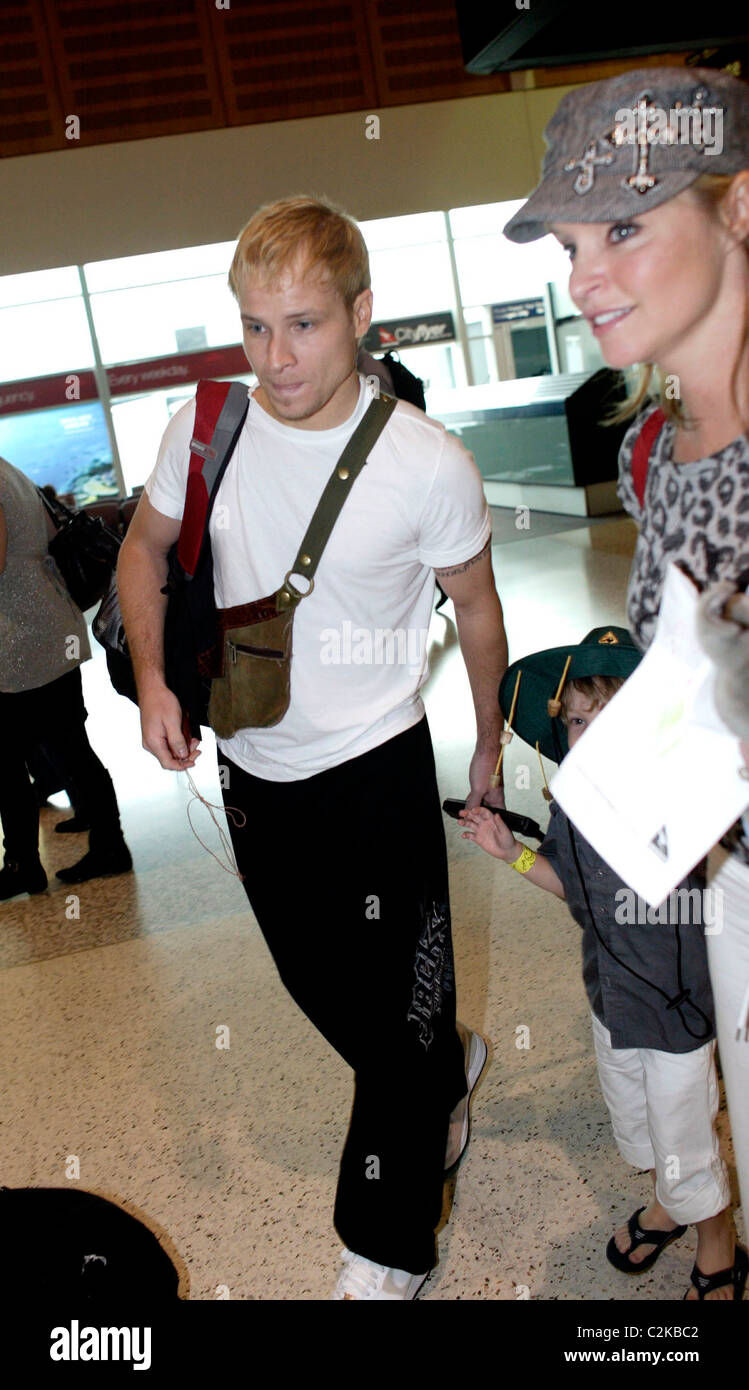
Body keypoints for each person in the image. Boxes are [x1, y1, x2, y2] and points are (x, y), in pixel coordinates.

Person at [117, 195, 509, 1300]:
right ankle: (443, 1065)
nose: (276, 358)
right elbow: (143, 554)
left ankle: (381, 1247)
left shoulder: (425, 462)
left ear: (361, 315)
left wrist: (488, 739)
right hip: (257, 777)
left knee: (391, 1025)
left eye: (303, 325)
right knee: (322, 988)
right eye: (254, 326)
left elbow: (476, 610)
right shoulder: (203, 432)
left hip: (378, 769)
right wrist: (151, 680)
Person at [503, 61, 749, 1244]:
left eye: (619, 227)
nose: (581, 278)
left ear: (736, 207)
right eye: (564, 246)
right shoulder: (650, 450)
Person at [461, 628, 747, 1301]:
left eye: (611, 719)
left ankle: (716, 1245)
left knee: (682, 1137)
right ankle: (669, 1205)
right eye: (577, 721)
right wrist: (513, 854)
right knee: (639, 1125)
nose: (589, 736)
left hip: (675, 1013)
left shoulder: (677, 800)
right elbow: (572, 885)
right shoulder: (572, 802)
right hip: (611, 1003)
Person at [0, 457, 132, 898]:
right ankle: (109, 845)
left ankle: (22, 864)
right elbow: (51, 535)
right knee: (70, 746)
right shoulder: (9, 470)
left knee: (9, 762)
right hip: (50, 619)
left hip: (16, 636)